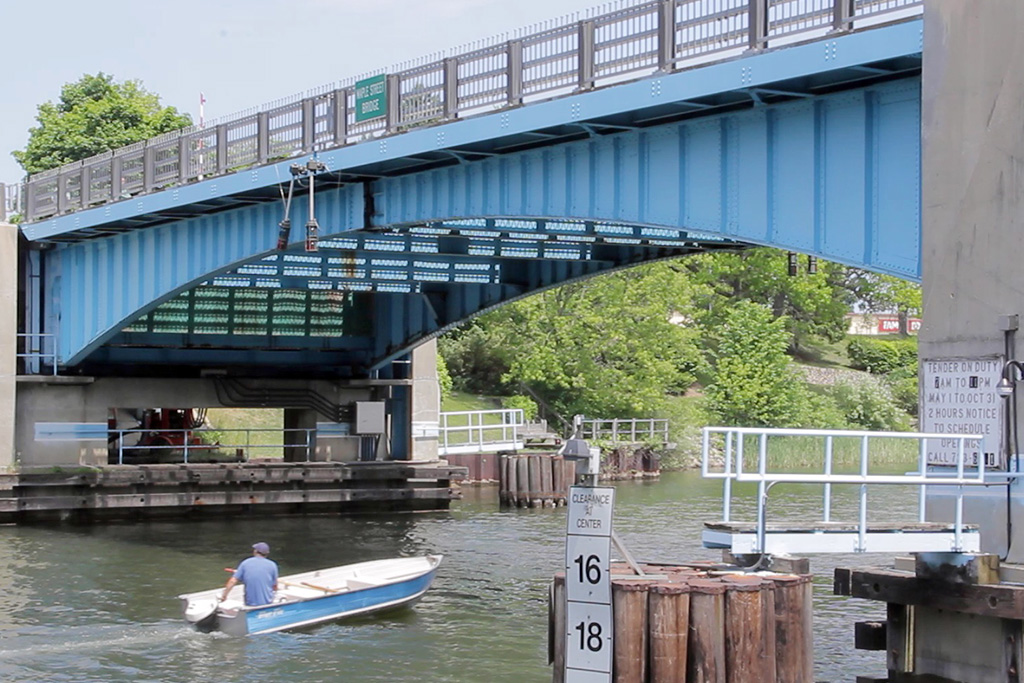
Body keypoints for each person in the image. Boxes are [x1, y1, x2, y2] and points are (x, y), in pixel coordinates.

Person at [221, 542, 279, 606]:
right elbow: (275, 586)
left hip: (250, 604)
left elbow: (232, 581)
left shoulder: (245, 563)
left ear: (256, 551)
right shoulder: (273, 565)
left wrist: (224, 595)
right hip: (268, 602)